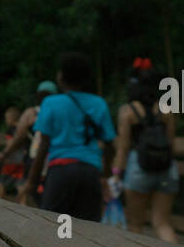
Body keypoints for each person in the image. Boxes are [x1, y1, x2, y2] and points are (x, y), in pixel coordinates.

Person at [21, 52, 116, 221]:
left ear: (61, 77)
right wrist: (105, 176)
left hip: (60, 171)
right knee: (88, 228)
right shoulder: (98, 103)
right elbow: (109, 145)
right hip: (90, 171)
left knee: (52, 224)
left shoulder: (51, 103)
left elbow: (43, 146)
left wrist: (31, 181)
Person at [112, 62, 178, 242]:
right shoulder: (166, 109)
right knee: (162, 223)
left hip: (138, 168)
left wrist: (116, 174)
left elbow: (123, 148)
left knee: (135, 225)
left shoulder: (127, 111)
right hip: (166, 168)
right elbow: (171, 143)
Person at [0, 81, 55, 205]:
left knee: (34, 190)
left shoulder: (31, 113)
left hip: (35, 158)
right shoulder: (60, 110)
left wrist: (3, 154)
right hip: (56, 158)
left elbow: (18, 137)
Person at [0, 106, 27, 199]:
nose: (6, 121)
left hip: (10, 161)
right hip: (22, 161)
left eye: (6, 118)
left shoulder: (11, 130)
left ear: (10, 118)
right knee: (20, 184)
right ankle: (23, 205)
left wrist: (2, 156)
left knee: (1, 184)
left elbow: (10, 145)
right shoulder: (23, 130)